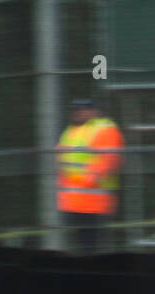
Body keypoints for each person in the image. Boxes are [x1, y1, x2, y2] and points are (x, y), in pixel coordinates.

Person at [56, 98, 124, 254]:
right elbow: (60, 156)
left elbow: (110, 159)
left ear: (93, 111)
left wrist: (90, 179)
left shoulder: (104, 129)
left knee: (93, 248)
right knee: (82, 247)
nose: (77, 113)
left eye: (82, 109)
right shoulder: (71, 130)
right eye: (75, 110)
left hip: (95, 202)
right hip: (73, 202)